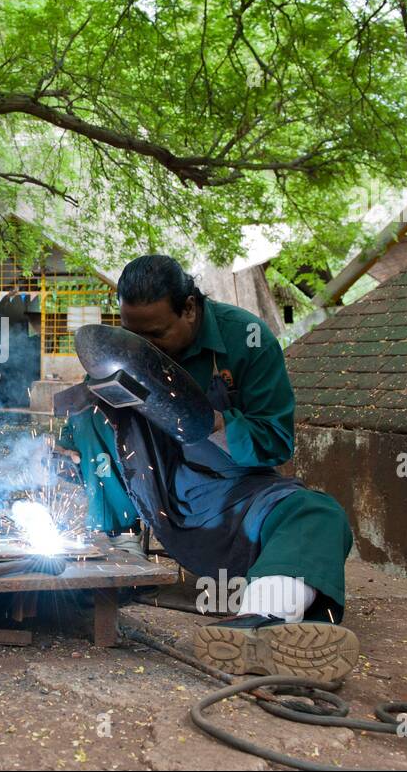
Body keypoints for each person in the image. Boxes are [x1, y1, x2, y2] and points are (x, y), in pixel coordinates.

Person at [58, 255, 359, 682]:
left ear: (190, 309)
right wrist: (67, 450)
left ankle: (262, 621)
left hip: (228, 494)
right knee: (91, 410)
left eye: (157, 334)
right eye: (133, 333)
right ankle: (118, 550)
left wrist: (212, 422)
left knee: (318, 513)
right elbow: (85, 429)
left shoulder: (248, 340)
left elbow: (275, 441)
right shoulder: (130, 348)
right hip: (148, 491)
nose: (146, 346)